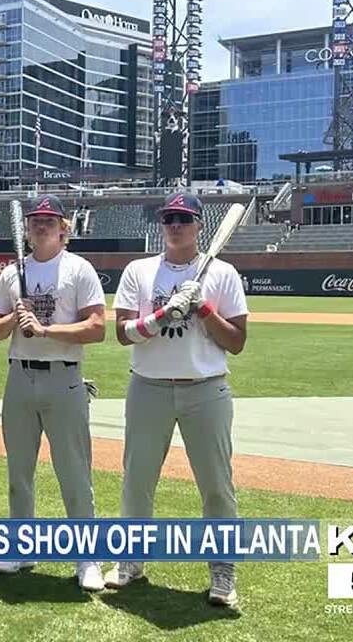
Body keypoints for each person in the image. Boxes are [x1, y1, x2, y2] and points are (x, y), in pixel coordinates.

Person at [109, 191, 248, 607]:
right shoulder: (139, 270)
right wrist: (162, 314)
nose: (176, 225)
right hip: (148, 386)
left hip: (205, 389)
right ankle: (131, 562)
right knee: (137, 481)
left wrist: (202, 308)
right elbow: (122, 333)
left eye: (184, 219)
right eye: (169, 218)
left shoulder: (222, 273)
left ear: (199, 225)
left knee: (217, 487)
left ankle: (223, 572)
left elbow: (236, 342)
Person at [0, 194, 107, 592]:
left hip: (64, 378)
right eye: (36, 220)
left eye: (49, 220)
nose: (41, 226)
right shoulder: (11, 272)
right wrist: (14, 318)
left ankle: (86, 556)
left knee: (73, 471)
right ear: (29, 228)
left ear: (63, 228)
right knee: (19, 470)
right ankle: (22, 546)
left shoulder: (78, 269)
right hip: (20, 377)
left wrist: (45, 329)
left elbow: (97, 328)